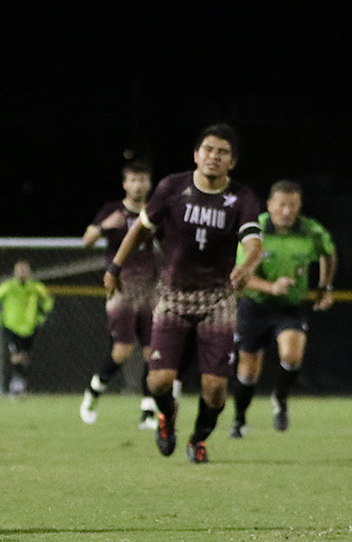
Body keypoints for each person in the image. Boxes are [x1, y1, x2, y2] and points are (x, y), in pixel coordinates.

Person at [104, 123, 262, 464]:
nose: (214, 157)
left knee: (215, 389)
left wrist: (248, 264)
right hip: (172, 297)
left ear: (232, 162)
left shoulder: (242, 198)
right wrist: (114, 267)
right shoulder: (172, 188)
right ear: (196, 155)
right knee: (159, 381)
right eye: (208, 149)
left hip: (218, 299)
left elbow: (253, 239)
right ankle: (166, 416)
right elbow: (139, 230)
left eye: (222, 153)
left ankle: (199, 438)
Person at [230, 180, 336, 438]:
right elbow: (241, 277)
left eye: (293, 205)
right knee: (248, 372)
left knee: (291, 356)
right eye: (282, 205)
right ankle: (239, 419)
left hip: (290, 307)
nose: (287, 211)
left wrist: (325, 286)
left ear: (299, 206)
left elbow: (329, 254)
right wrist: (271, 286)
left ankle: (280, 397)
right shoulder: (256, 232)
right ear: (270, 205)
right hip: (254, 306)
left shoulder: (311, 231)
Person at [79, 161, 161, 428]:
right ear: (125, 184)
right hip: (122, 288)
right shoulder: (112, 210)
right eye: (133, 180)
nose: (138, 185)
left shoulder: (155, 211)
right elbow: (86, 239)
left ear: (149, 183)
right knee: (123, 350)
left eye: (143, 179)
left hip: (152, 288)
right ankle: (94, 390)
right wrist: (105, 226)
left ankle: (147, 413)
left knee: (153, 351)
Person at [0, 260, 54, 397]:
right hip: (12, 325)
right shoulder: (9, 287)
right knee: (16, 355)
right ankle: (16, 384)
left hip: (29, 326)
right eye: (19, 270)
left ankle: (19, 383)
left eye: (25, 270)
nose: (22, 273)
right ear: (15, 272)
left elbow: (47, 301)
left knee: (23, 356)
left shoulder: (35, 287)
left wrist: (42, 314)